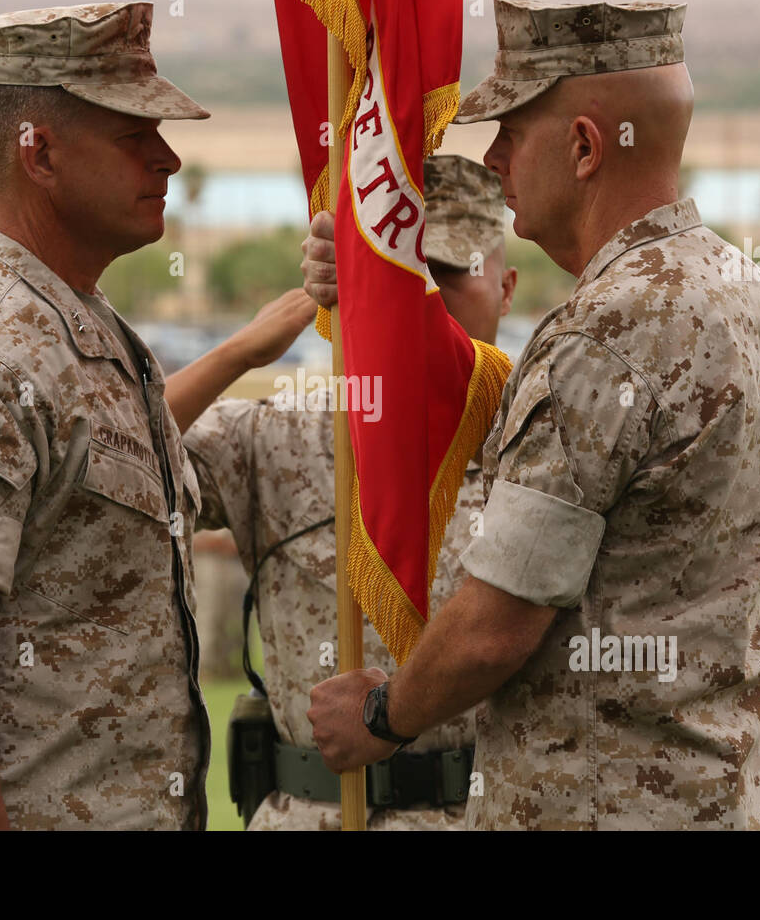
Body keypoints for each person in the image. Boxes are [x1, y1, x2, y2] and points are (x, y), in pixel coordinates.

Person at [304, 0, 760, 830]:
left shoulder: (605, 329)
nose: (493, 157)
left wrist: (383, 715)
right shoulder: (742, 288)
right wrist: (368, 289)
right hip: (729, 795)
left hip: (603, 806)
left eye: (512, 132)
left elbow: (497, 627)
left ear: (584, 148)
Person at [0, 1, 304, 830]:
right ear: (41, 151)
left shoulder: (78, 330)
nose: (167, 158)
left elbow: (108, 475)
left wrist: (238, 353)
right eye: (134, 137)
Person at [169, 155, 517, 829]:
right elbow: (104, 464)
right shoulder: (281, 437)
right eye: (398, 280)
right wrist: (236, 354)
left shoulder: (547, 442)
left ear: (504, 288)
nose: (425, 306)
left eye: (446, 276)